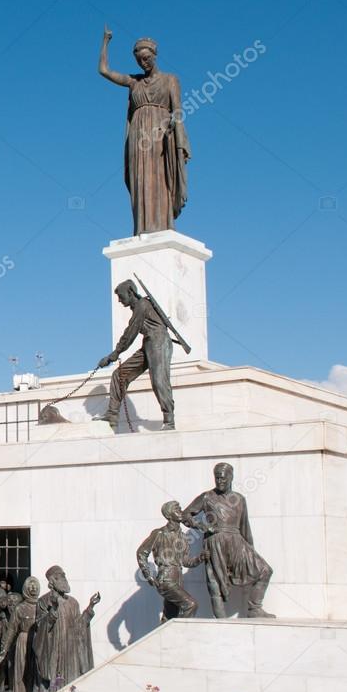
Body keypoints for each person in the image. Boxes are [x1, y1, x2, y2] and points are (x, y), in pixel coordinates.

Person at [98, 26, 190, 236]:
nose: (143, 62)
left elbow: (177, 111)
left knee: (160, 177)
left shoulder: (170, 80)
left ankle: (164, 225)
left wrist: (175, 130)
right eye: (139, 60)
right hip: (138, 135)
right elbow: (104, 70)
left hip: (160, 132)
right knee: (140, 179)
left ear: (155, 55)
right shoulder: (133, 82)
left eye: (146, 58)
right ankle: (142, 227)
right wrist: (105, 42)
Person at [181, 463, 275, 619]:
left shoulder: (239, 499)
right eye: (217, 478)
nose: (220, 481)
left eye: (223, 478)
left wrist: (250, 549)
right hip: (215, 543)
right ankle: (221, 619)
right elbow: (185, 515)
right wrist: (201, 525)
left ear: (231, 477)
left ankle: (254, 608)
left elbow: (245, 526)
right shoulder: (207, 497)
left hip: (237, 543)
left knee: (265, 570)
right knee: (214, 583)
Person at [96, 280, 174, 430]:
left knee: (159, 381)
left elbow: (131, 332)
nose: (119, 300)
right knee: (119, 375)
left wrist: (115, 353)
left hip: (159, 342)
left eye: (120, 296)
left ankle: (169, 420)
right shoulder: (138, 307)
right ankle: (112, 415)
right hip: (148, 343)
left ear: (130, 292)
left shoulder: (142, 305)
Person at [31, 566, 100, 692]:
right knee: (53, 685)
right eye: (61, 576)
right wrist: (54, 608)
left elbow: (79, 626)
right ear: (52, 580)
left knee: (71, 682)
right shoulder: (44, 601)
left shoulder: (73, 602)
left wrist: (90, 607)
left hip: (70, 651)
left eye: (64, 576)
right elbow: (41, 626)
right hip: (53, 650)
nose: (64, 579)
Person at [137, 501, 204, 621]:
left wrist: (200, 558)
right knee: (190, 605)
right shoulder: (159, 533)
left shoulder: (183, 537)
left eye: (180, 508)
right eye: (176, 509)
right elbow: (141, 552)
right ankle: (179, 637)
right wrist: (148, 575)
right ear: (168, 515)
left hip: (178, 580)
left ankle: (164, 637)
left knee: (170, 616)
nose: (180, 511)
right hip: (166, 578)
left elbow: (186, 561)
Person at [0, 576, 41, 692]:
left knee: (36, 673)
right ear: (25, 588)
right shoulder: (20, 608)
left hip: (38, 641)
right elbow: (11, 631)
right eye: (30, 586)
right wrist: (4, 651)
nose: (33, 588)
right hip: (23, 640)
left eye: (35, 586)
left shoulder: (42, 606)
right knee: (21, 672)